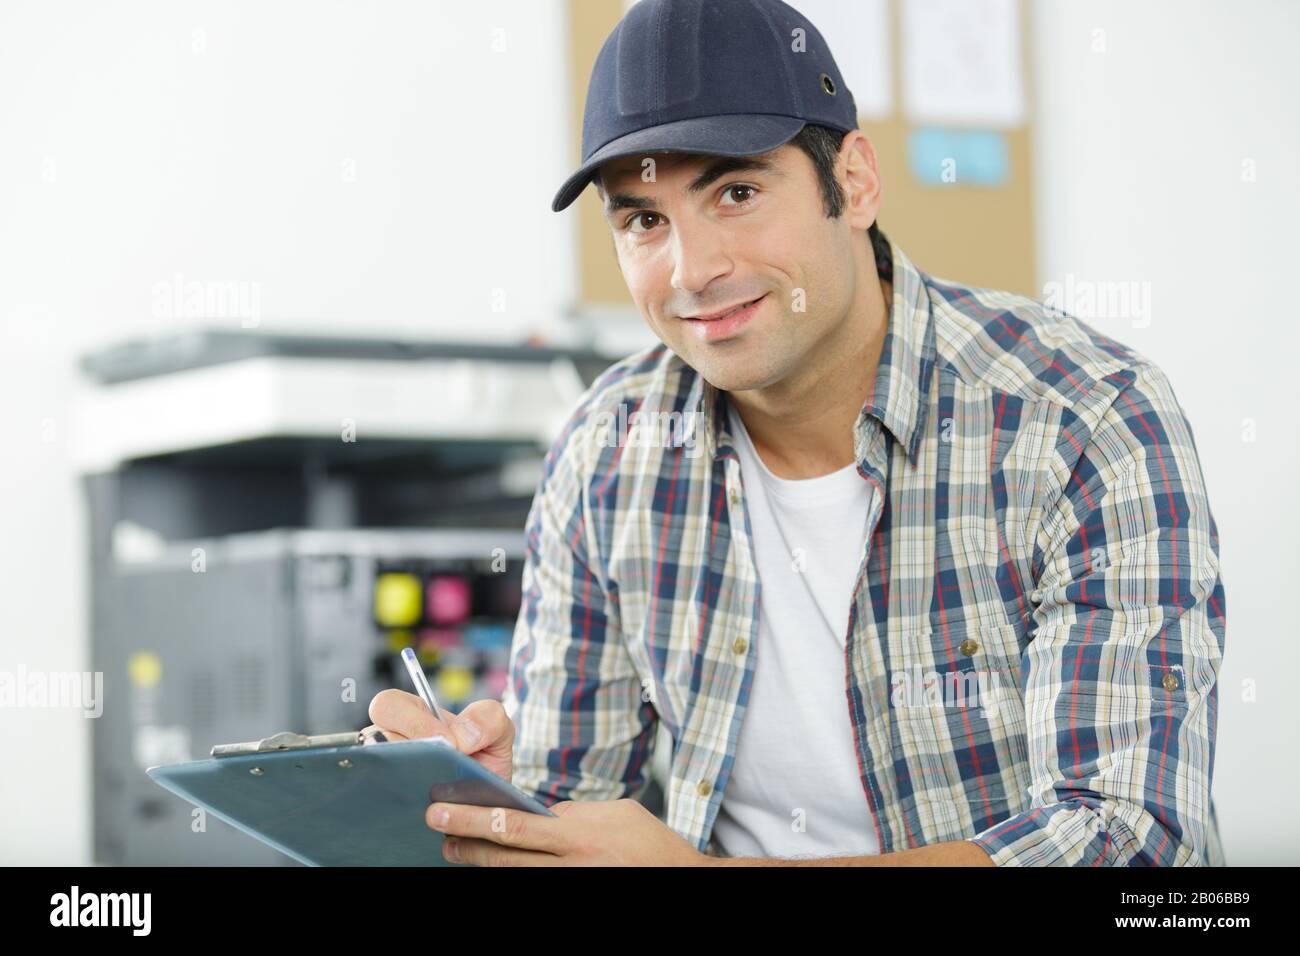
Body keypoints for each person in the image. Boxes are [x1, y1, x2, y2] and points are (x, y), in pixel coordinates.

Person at [365, 0, 1226, 867]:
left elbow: (1128, 846)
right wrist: (501, 810)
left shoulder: (1085, 418)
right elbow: (578, 801)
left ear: (853, 182)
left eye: (735, 193)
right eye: (643, 221)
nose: (692, 271)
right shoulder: (608, 451)